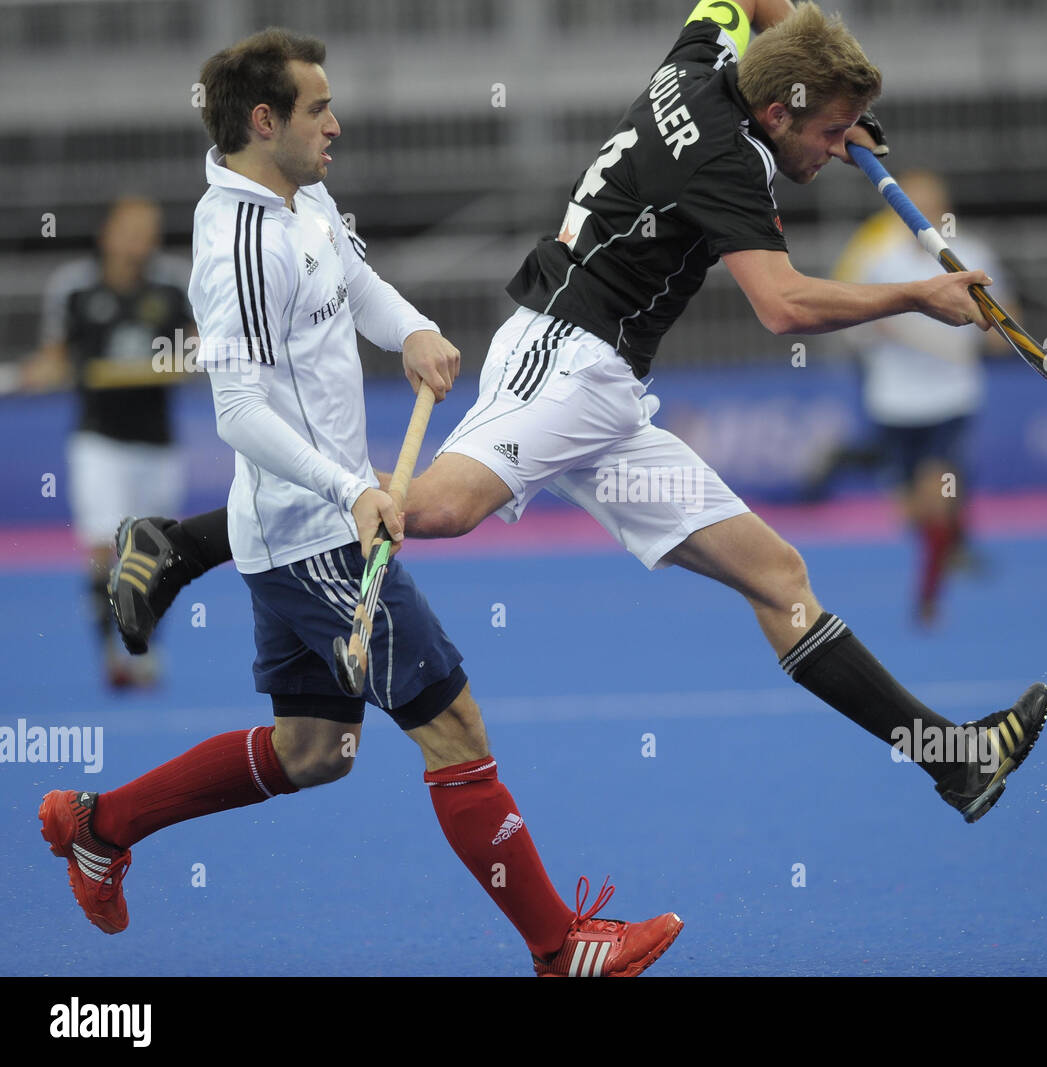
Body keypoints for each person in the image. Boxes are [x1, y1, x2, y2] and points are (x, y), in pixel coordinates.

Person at [109, 2, 1047, 824]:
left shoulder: (698, 60)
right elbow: (784, 305)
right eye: (834, 130)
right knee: (424, 511)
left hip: (607, 390)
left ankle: (948, 759)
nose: (843, 146)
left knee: (780, 576)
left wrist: (827, 78)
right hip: (564, 358)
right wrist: (916, 298)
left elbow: (749, 1)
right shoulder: (730, 160)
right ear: (778, 111)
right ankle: (182, 542)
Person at [42, 27, 681, 978]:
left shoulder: (299, 196)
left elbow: (356, 280)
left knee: (315, 750)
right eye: (318, 109)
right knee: (454, 725)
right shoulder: (241, 244)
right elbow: (238, 410)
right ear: (266, 121)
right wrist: (352, 489)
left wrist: (413, 328)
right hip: (317, 539)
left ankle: (99, 825)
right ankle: (561, 948)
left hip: (295, 534)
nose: (336, 124)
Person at [812, 170, 1007, 624]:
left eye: (927, 204)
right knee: (912, 514)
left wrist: (997, 332)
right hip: (893, 403)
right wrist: (875, 327)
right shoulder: (876, 261)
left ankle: (928, 598)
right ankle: (952, 539)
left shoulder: (971, 256)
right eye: (908, 205)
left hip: (950, 401)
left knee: (936, 494)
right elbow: (850, 329)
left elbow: (1001, 326)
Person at [22, 196, 193, 688]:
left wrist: (186, 360)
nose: (142, 240)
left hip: (158, 442)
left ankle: (142, 649)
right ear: (108, 233)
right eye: (132, 229)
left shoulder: (172, 284)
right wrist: (44, 370)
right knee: (102, 546)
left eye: (150, 230)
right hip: (98, 441)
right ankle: (110, 656)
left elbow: (199, 344)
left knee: (152, 554)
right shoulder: (75, 287)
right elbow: (56, 355)